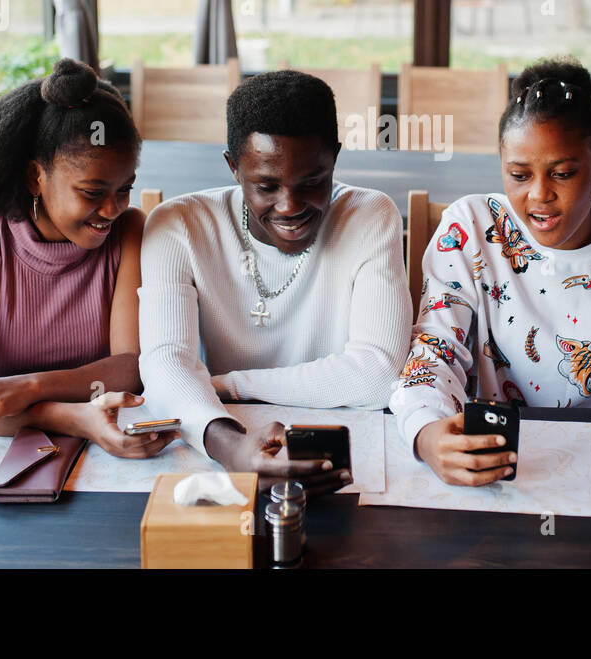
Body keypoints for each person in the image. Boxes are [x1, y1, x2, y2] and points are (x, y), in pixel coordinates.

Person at [390, 58, 591, 486]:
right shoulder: (470, 230)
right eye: (519, 175)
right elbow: (435, 349)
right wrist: (424, 430)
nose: (539, 195)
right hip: (494, 459)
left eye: (563, 174)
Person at [138, 70, 411, 494]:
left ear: (334, 158)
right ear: (233, 166)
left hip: (333, 444)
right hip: (215, 439)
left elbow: (377, 376)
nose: (290, 206)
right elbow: (164, 363)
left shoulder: (370, 215)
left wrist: (225, 385)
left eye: (313, 183)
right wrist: (231, 446)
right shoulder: (178, 226)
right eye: (266, 185)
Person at [0, 58, 173, 459]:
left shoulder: (130, 230)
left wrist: (29, 388)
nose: (113, 208)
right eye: (93, 192)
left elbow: (130, 368)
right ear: (35, 177)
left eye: (124, 188)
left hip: (88, 443)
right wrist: (68, 417)